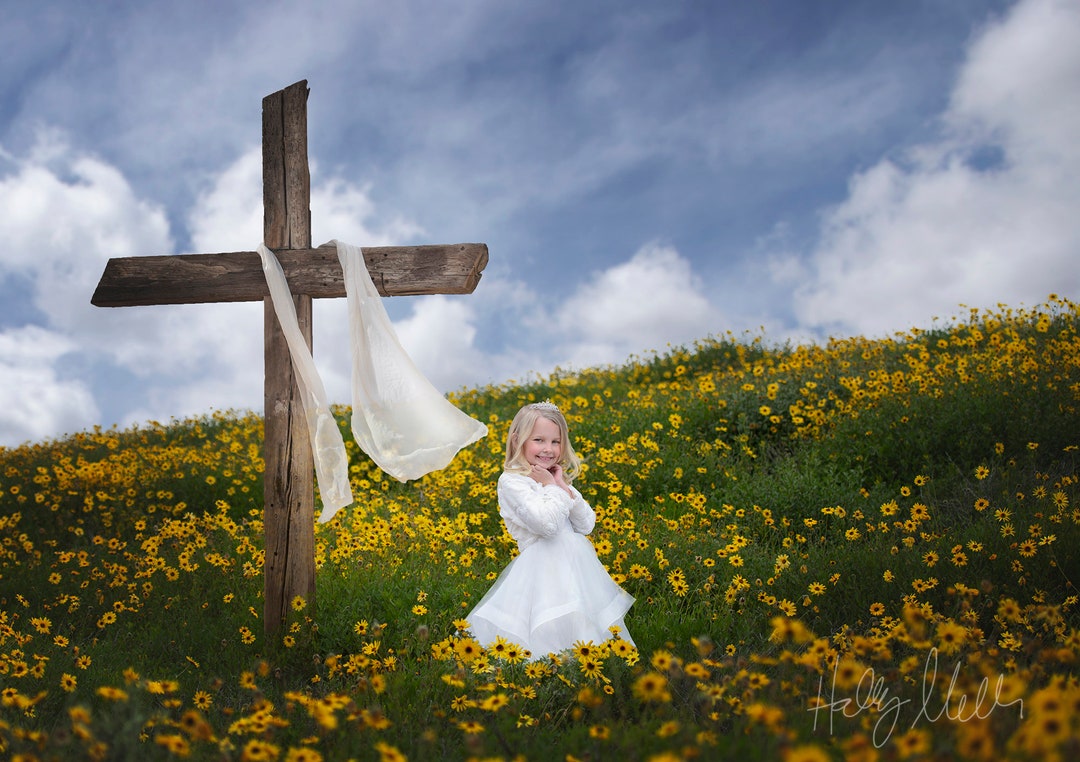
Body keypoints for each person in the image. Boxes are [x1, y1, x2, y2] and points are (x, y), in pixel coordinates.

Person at [465, 401, 635, 659]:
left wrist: (562, 486)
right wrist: (553, 488)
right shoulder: (512, 482)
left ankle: (585, 671)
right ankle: (550, 672)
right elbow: (547, 526)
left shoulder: (553, 477)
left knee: (582, 622)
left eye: (556, 442)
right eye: (539, 440)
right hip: (541, 571)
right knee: (548, 626)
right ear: (517, 440)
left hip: (576, 567)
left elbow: (586, 524)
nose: (548, 449)